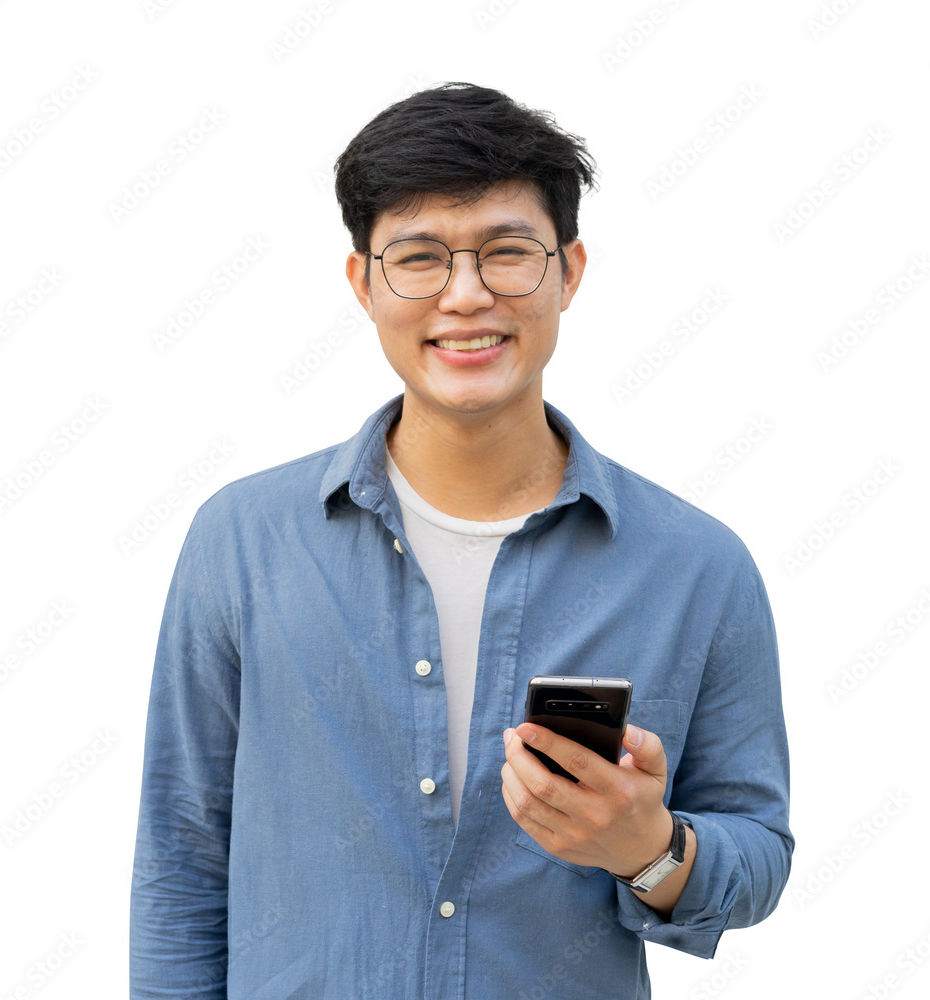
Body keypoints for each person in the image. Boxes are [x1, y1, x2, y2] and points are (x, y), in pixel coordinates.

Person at [130, 82, 793, 999]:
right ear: (364, 283)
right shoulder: (243, 541)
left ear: (570, 270)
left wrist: (650, 849)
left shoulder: (697, 568)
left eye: (508, 253)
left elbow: (758, 852)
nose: (467, 295)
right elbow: (181, 858)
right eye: (420, 258)